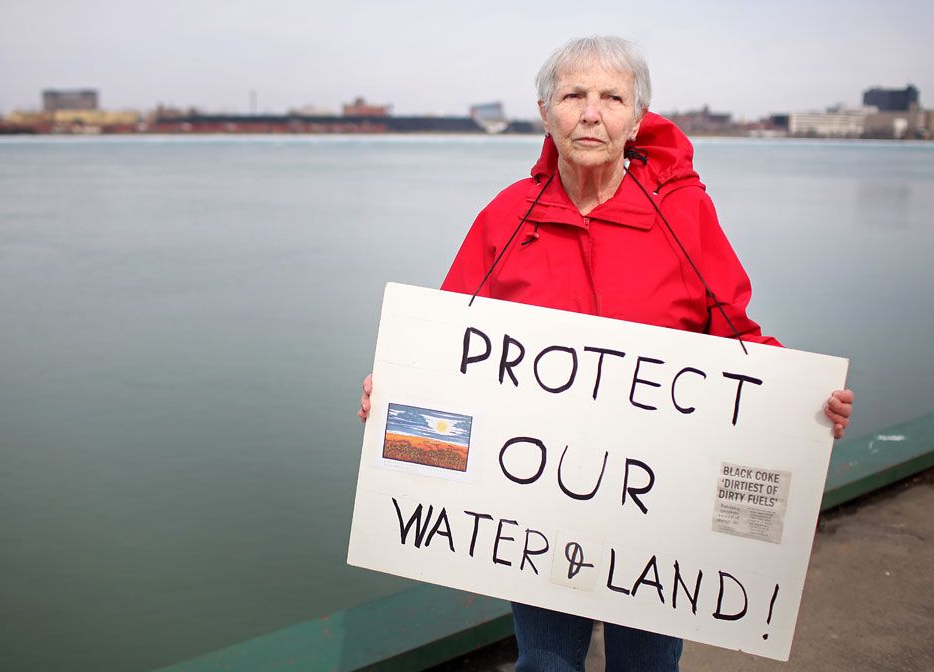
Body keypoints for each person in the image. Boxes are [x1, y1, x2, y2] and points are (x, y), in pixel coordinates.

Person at [358, 36, 854, 672]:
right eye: (573, 96)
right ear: (546, 113)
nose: (591, 114)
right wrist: (400, 389)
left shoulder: (683, 212)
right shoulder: (507, 216)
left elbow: (734, 336)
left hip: (655, 503)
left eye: (612, 98)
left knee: (646, 666)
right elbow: (449, 346)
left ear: (637, 119)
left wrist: (802, 403)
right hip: (535, 500)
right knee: (544, 663)